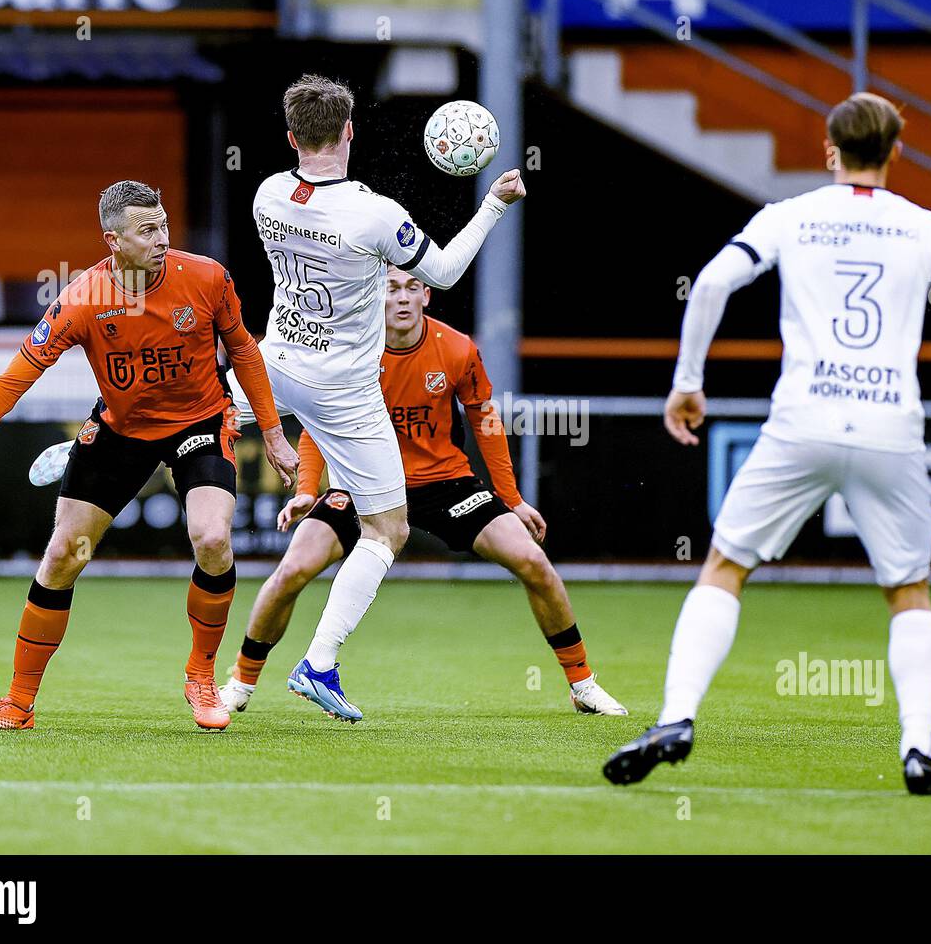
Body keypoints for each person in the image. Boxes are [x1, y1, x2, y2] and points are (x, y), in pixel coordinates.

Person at [602, 93, 931, 793]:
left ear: (830, 150)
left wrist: (688, 381)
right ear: (896, 151)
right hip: (889, 425)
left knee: (725, 566)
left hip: (803, 419)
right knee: (909, 590)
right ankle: (917, 749)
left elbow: (715, 280)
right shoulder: (927, 227)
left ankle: (676, 717)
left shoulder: (790, 216)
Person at [0, 180, 298, 731]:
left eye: (163, 225)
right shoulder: (81, 300)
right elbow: (13, 380)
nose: (161, 238)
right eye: (147, 230)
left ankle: (201, 675)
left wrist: (275, 435)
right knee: (64, 554)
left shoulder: (207, 277)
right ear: (113, 240)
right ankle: (16, 705)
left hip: (200, 424)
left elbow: (244, 351)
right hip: (120, 431)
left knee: (212, 539)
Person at [219, 267, 627, 719]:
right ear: (375, 295)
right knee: (292, 569)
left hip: (444, 484)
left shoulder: (456, 348)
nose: (402, 298)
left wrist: (511, 498)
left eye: (412, 288)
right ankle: (240, 682)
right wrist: (308, 489)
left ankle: (582, 683)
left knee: (533, 561)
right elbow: (321, 425)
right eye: (391, 288)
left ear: (427, 295)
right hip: (361, 487)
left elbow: (486, 422)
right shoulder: (351, 350)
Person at [250, 75, 525, 720]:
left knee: (197, 415)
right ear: (350, 131)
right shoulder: (376, 215)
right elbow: (446, 274)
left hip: (277, 362)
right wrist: (492, 204)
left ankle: (91, 444)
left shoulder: (267, 195)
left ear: (292, 137)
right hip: (342, 387)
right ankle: (319, 662)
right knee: (387, 528)